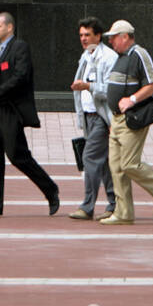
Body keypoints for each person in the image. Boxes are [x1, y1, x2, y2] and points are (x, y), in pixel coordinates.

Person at [0, 12, 59, 218]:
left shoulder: (19, 47)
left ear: (9, 27)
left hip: (10, 110)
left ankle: (50, 189)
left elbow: (21, 75)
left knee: (17, 155)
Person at [98, 20, 153, 225]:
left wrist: (131, 99)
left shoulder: (138, 54)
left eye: (114, 38)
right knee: (116, 166)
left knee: (129, 164)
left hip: (132, 119)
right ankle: (124, 213)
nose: (111, 41)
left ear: (125, 36)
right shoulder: (120, 57)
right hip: (116, 119)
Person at [68, 17, 118, 221]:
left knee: (89, 157)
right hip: (88, 117)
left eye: (88, 34)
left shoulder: (108, 57)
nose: (84, 38)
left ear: (98, 35)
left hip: (101, 117)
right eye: (81, 35)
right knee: (103, 161)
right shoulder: (86, 56)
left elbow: (111, 90)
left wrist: (87, 87)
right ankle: (114, 204)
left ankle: (88, 206)